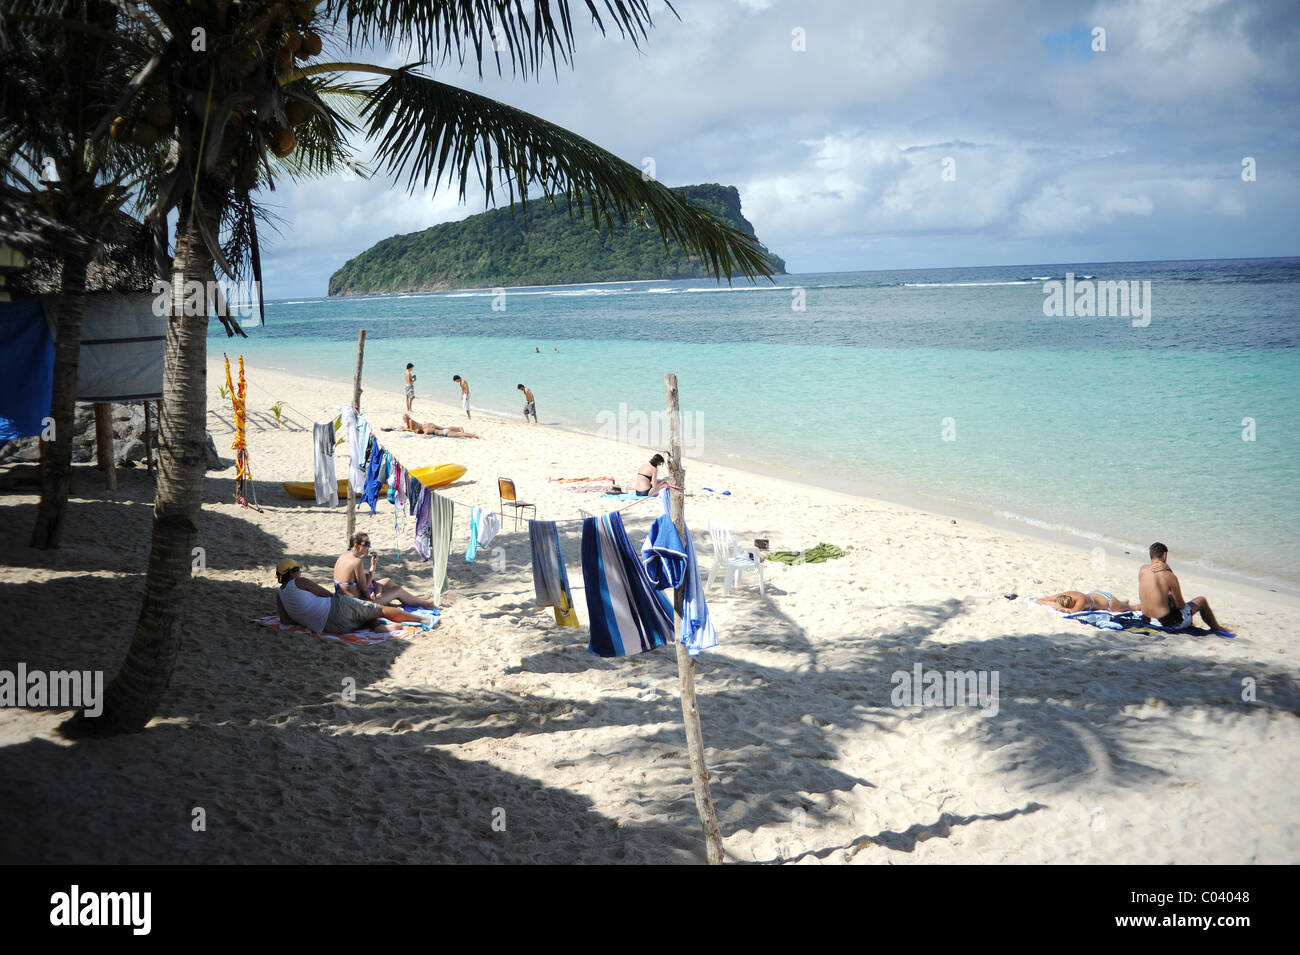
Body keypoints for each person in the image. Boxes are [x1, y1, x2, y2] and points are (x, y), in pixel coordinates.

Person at [274, 559, 429, 633]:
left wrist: (305, 614)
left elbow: (285, 621)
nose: (299, 572)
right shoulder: (300, 581)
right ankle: (422, 620)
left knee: (360, 614)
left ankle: (380, 627)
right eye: (297, 569)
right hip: (335, 610)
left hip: (329, 628)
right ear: (292, 572)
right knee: (377, 609)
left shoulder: (279, 594)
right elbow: (325, 593)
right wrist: (342, 600)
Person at [333, 533, 438, 608]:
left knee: (387, 580)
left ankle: (416, 599)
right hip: (356, 604)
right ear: (356, 545)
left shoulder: (343, 556)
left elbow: (358, 585)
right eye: (366, 544)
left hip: (342, 599)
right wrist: (373, 567)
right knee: (398, 590)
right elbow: (364, 588)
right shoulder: (356, 562)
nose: (369, 547)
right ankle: (424, 603)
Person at [1137, 542, 1226, 630]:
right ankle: (1217, 628)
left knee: (1166, 596)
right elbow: (1181, 606)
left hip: (1147, 620)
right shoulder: (1169, 576)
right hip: (1166, 623)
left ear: (1150, 555)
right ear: (1164, 555)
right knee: (1202, 600)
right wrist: (1168, 569)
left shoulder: (1142, 570)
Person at [1035, 590, 1136, 613]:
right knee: (1123, 604)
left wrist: (1054, 605)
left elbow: (1072, 611)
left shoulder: (1081, 601)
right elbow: (1042, 600)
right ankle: (1124, 602)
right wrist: (1048, 602)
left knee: (1131, 608)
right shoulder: (1066, 594)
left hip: (1108, 602)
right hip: (1096, 595)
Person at [401, 413, 479, 438]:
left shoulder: (410, 421)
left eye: (404, 419)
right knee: (445, 428)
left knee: (458, 434)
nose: (404, 420)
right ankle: (459, 428)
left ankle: (473, 435)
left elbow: (411, 430)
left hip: (438, 430)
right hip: (431, 426)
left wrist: (405, 429)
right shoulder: (410, 422)